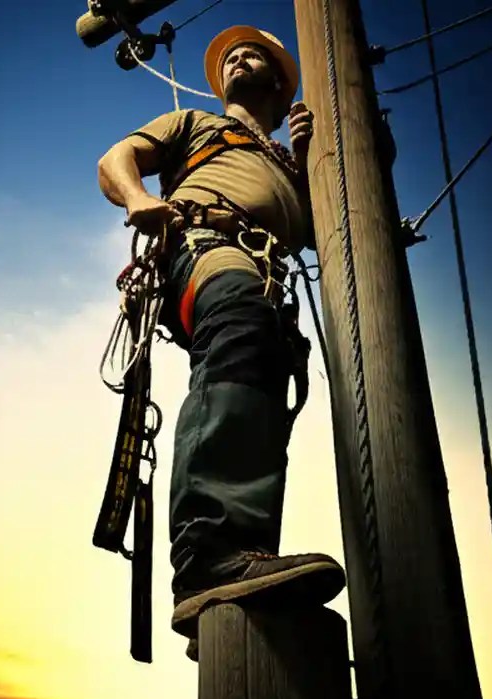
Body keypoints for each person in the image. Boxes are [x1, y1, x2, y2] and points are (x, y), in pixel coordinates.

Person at [95, 25, 347, 661]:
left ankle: (237, 579)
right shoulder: (196, 124)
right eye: (231, 55)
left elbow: (341, 222)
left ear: (281, 83)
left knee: (260, 375)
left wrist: (318, 155)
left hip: (266, 276)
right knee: (240, 332)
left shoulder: (295, 164)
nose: (237, 58)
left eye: (252, 53)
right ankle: (210, 555)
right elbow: (116, 159)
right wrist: (138, 197)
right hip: (205, 247)